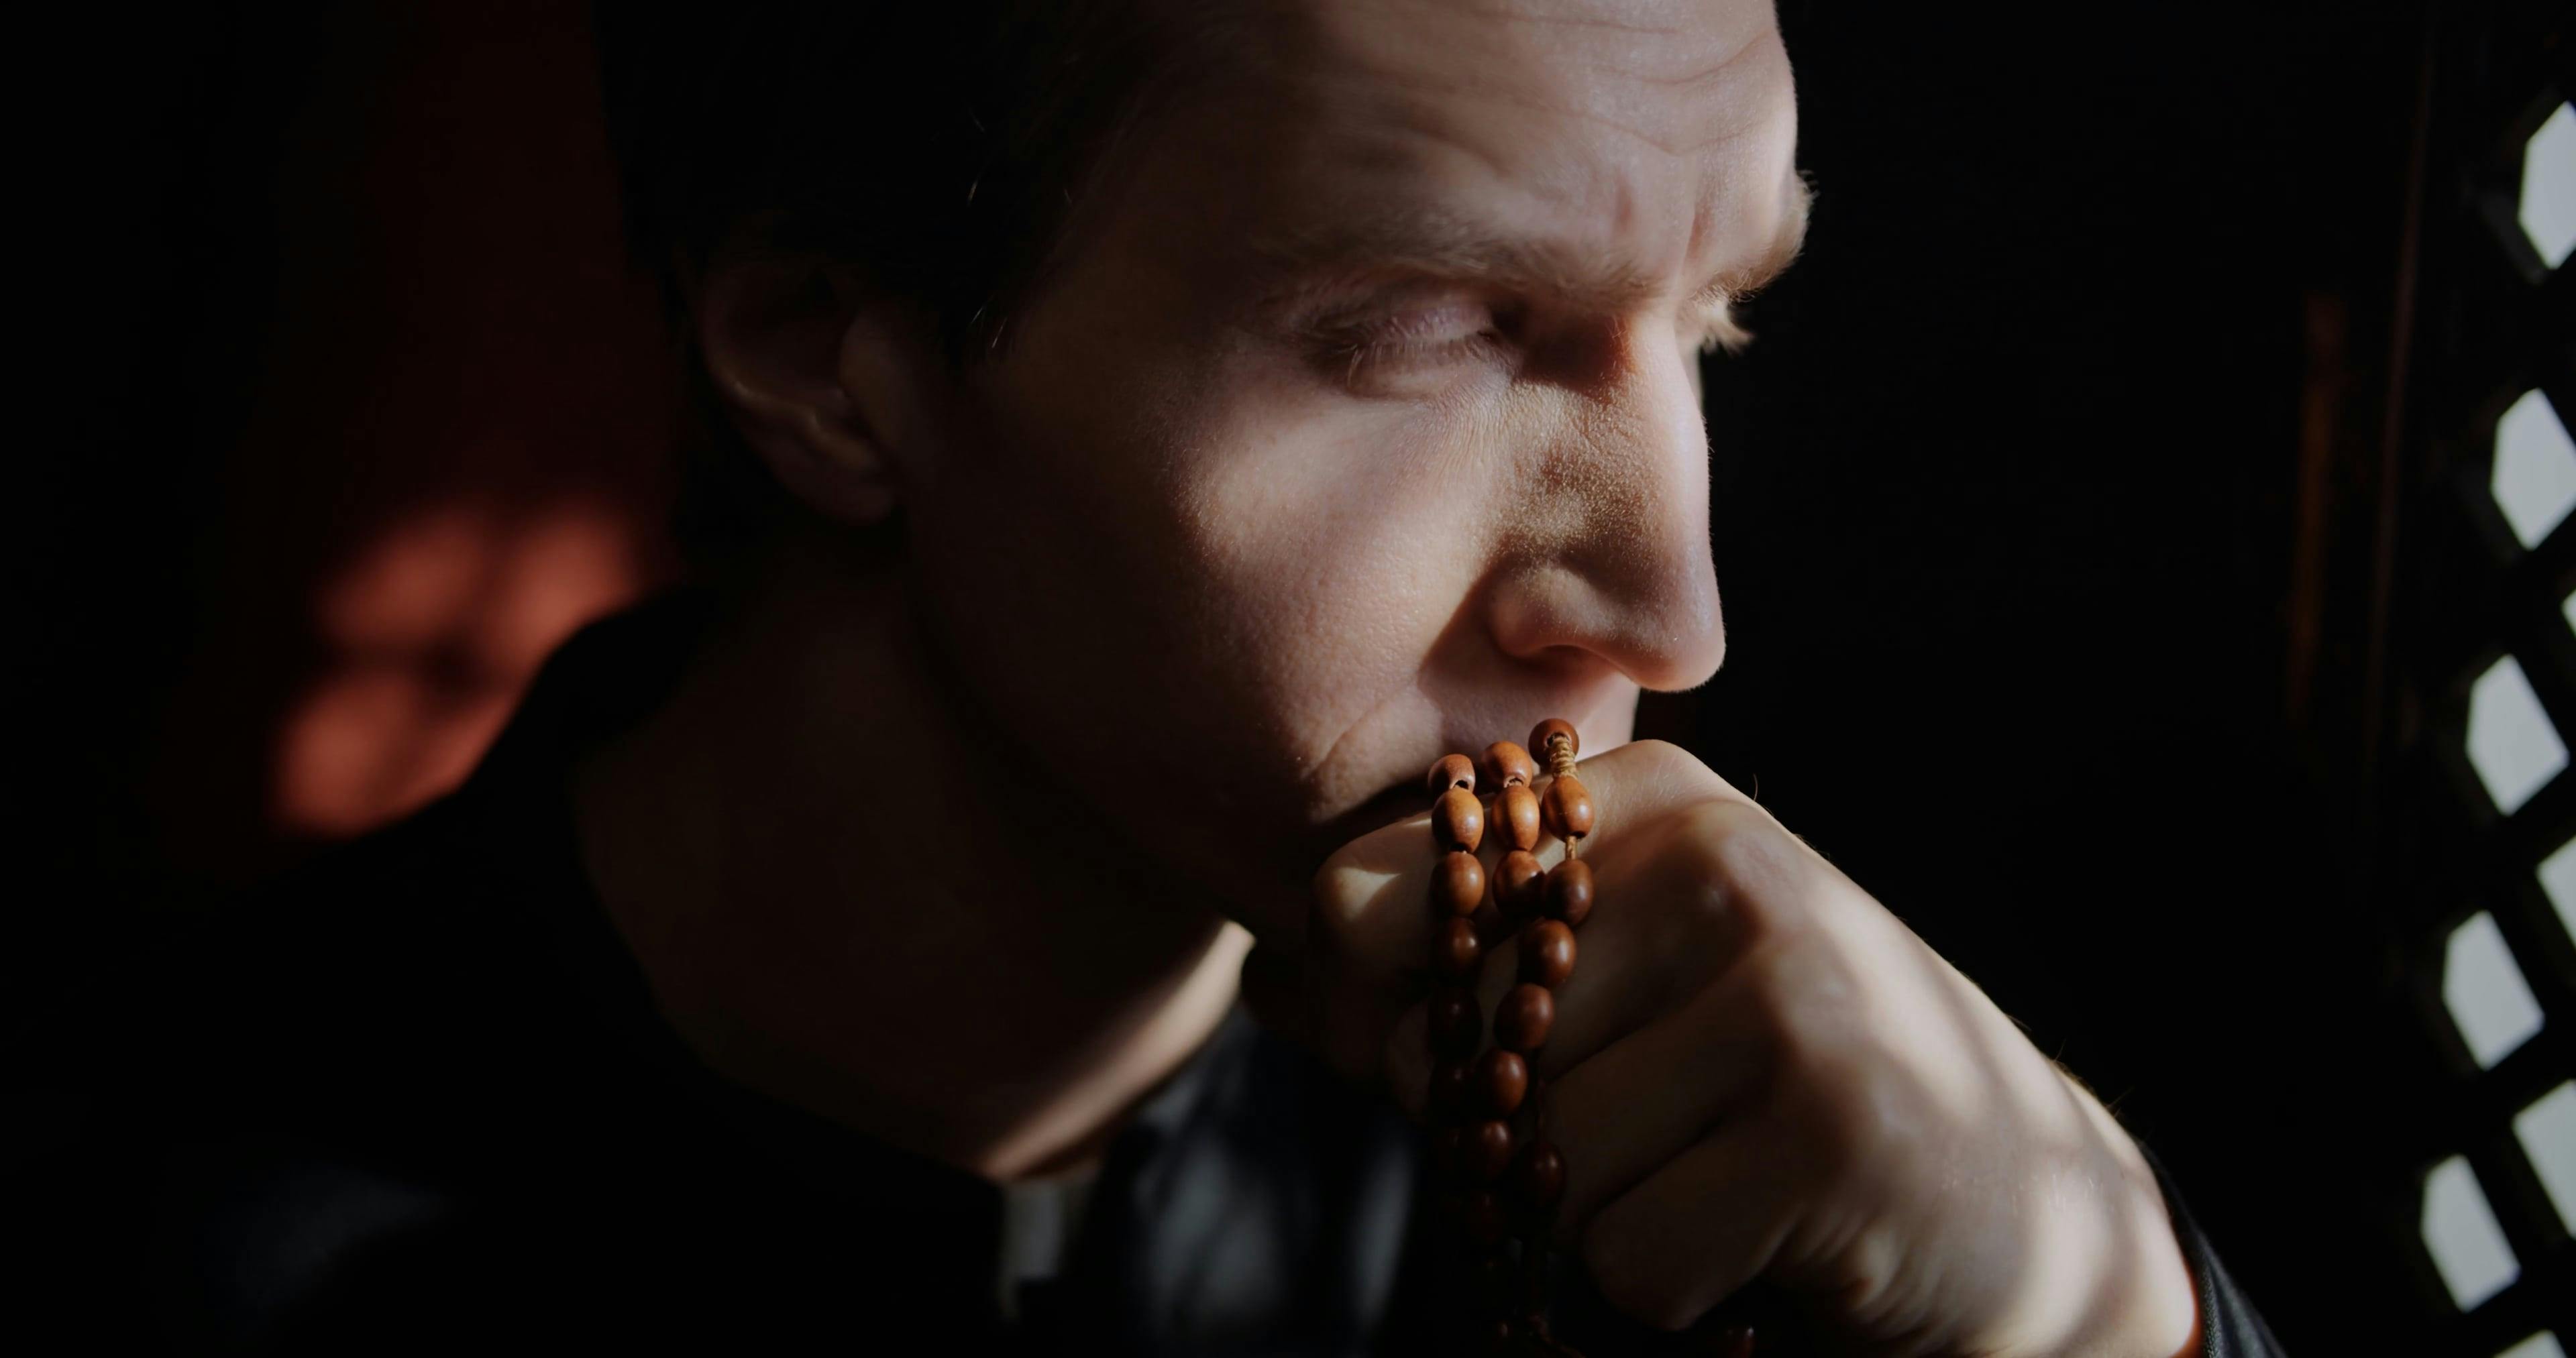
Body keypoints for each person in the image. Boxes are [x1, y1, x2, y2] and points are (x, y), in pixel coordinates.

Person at [25, 1, 2284, 1353]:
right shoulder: (210, 1231)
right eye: (1433, 331)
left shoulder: (1684, 1173)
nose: (1673, 614)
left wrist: (2103, 1313)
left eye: (1717, 320)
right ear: (827, 355)